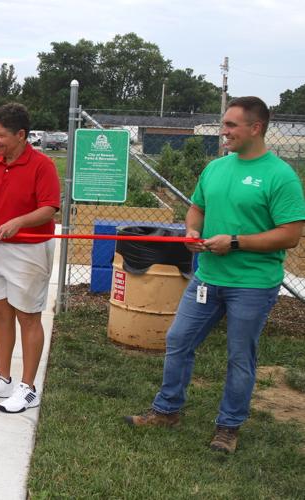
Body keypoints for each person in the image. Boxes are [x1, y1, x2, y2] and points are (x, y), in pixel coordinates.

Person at [124, 96, 305, 453]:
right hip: (207, 278)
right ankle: (167, 410)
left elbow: (290, 234)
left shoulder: (280, 176)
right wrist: (192, 233)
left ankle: (228, 427)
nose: (223, 132)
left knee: (240, 356)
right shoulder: (216, 169)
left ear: (256, 128)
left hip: (252, 284)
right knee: (178, 341)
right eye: (224, 125)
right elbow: (196, 209)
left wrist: (235, 242)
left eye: (231, 126)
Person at [0, 103, 61, 413]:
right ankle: (2, 378)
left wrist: (18, 222)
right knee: (0, 313)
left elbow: (48, 208)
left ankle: (28, 387)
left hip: (30, 249)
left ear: (21, 135)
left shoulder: (43, 165)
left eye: (0, 135)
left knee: (28, 316)